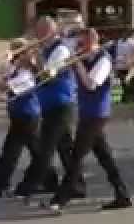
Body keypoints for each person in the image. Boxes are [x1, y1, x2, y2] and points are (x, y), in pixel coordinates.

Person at [51, 28, 132, 212]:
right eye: (78, 44)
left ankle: (61, 198)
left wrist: (77, 63)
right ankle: (123, 194)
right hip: (87, 113)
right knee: (105, 156)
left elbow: (91, 84)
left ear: (91, 43)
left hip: (97, 114)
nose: (79, 48)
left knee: (76, 156)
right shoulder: (85, 58)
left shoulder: (103, 60)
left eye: (82, 44)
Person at [13, 17, 84, 201]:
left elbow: (48, 74)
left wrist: (34, 60)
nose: (36, 36)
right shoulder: (46, 49)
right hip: (51, 104)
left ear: (47, 32)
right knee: (65, 148)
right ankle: (77, 185)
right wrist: (28, 63)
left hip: (61, 104)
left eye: (38, 32)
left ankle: (28, 186)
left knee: (45, 147)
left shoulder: (60, 49)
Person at [0, 39, 41, 200]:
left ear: (23, 56)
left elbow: (6, 87)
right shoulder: (16, 70)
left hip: (28, 116)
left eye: (16, 55)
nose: (14, 59)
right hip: (18, 116)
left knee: (18, 152)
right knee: (22, 151)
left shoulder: (26, 74)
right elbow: (3, 79)